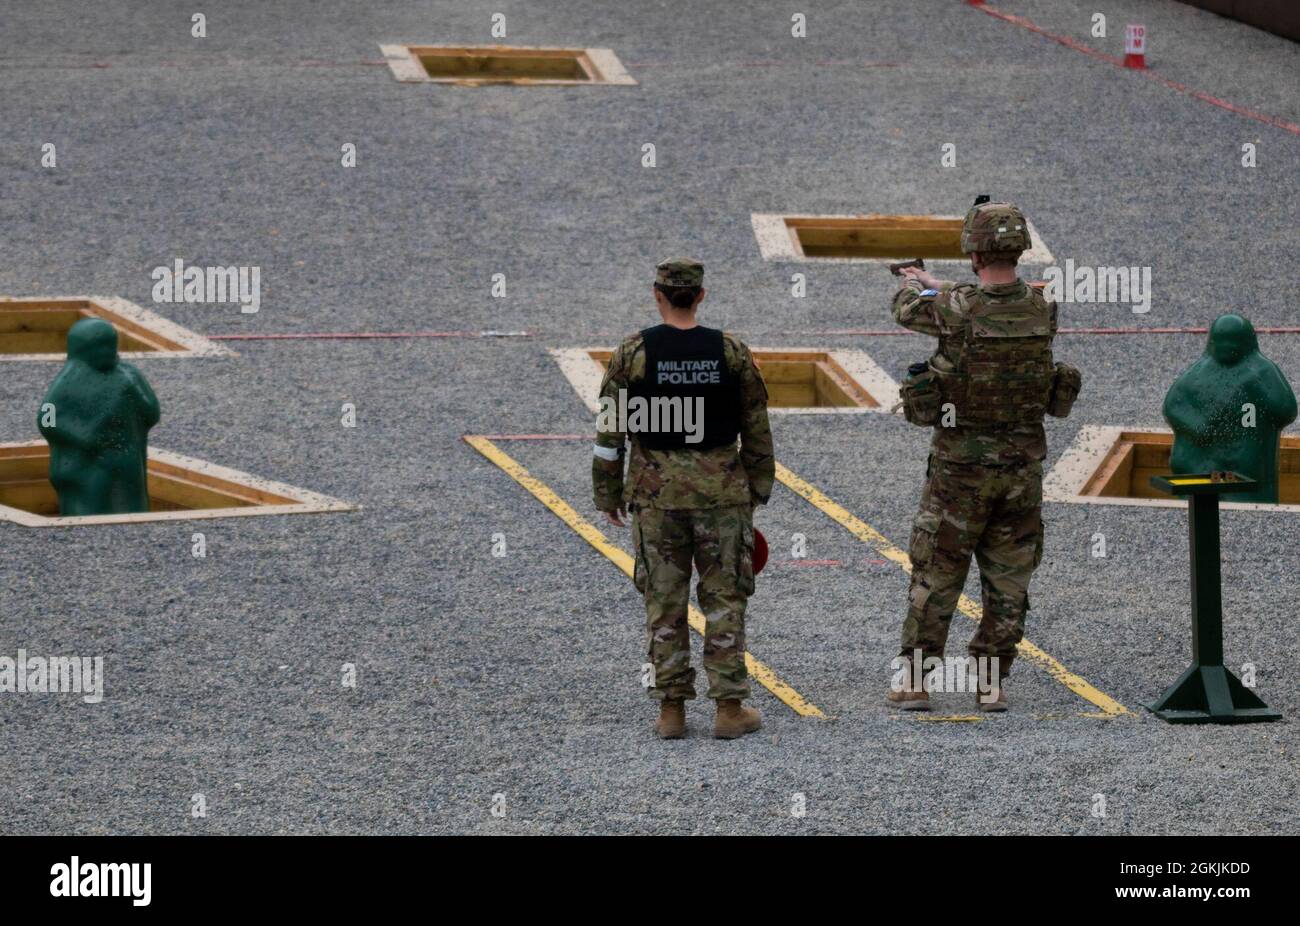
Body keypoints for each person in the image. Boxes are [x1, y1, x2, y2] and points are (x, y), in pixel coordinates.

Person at [888, 198, 1081, 712]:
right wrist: (943, 284)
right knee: (1009, 580)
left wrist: (915, 280)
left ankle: (914, 682)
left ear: (972, 250)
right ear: (1020, 248)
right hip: (1021, 472)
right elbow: (994, 300)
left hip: (958, 471)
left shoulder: (951, 308)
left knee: (937, 573)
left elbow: (907, 307)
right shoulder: (1043, 307)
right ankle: (990, 683)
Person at [593, 258, 774, 739]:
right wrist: (757, 487)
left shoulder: (634, 351)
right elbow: (756, 426)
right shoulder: (730, 350)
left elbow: (609, 428)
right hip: (721, 496)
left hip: (657, 497)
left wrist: (606, 490)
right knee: (725, 598)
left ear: (657, 294)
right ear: (700, 295)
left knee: (663, 601)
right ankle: (729, 709)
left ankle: (671, 709)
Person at [39, 317, 161, 515]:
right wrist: (81, 436)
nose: (107, 352)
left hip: (127, 455)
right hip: (88, 461)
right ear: (82, 349)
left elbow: (152, 412)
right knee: (90, 501)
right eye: (99, 346)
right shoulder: (71, 380)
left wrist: (133, 395)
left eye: (110, 345)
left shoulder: (129, 375)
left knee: (130, 500)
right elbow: (47, 419)